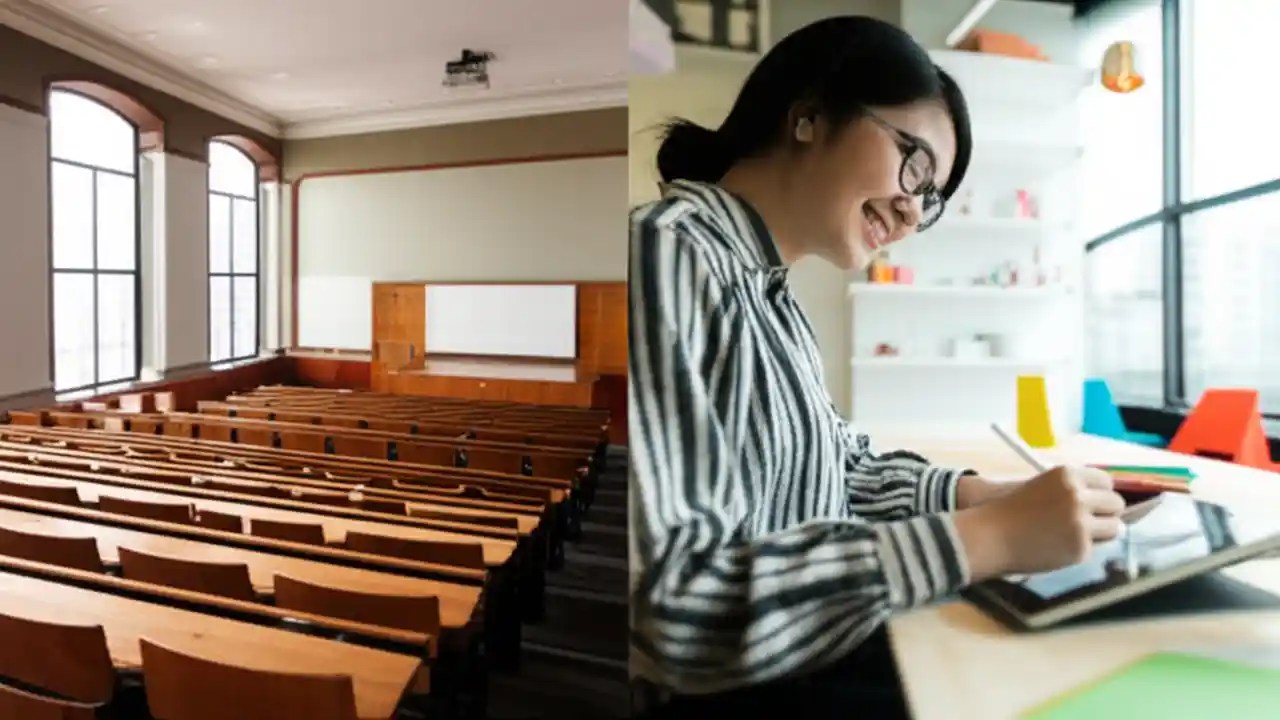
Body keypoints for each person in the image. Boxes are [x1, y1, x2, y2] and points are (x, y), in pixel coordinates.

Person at [628, 15, 1126, 717]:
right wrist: (989, 538)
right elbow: (676, 607)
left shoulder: (769, 294)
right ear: (809, 115)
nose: (911, 211)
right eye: (915, 166)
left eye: (931, 200)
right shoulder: (667, 256)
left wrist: (981, 496)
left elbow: (839, 470)